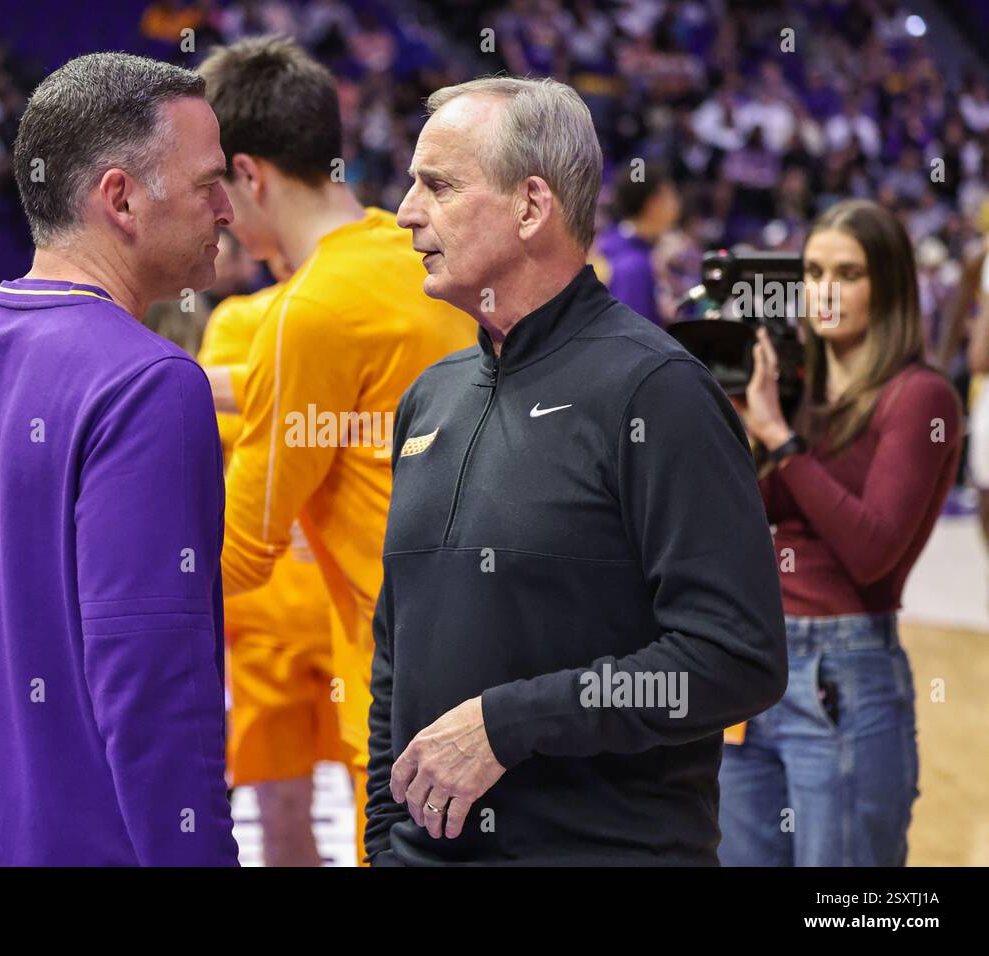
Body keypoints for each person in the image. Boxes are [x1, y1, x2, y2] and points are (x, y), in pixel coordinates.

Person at [365, 77, 787, 866]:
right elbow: (398, 653)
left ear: (530, 207)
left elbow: (736, 656)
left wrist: (508, 724)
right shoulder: (430, 398)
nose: (406, 213)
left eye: (439, 186)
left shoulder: (658, 392)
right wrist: (386, 845)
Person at [0, 52, 239, 866]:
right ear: (122, 198)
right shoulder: (153, 384)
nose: (229, 208)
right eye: (209, 182)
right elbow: (153, 692)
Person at [196, 36, 476, 863]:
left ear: (249, 174)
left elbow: (238, 556)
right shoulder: (419, 256)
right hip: (493, 665)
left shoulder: (307, 311)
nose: (214, 210)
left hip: (409, 695)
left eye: (216, 186)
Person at [721, 199, 963, 866]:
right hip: (754, 662)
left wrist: (781, 440)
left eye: (848, 273)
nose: (825, 291)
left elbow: (871, 548)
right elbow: (751, 516)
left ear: (887, 286)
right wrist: (746, 431)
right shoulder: (801, 396)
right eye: (814, 271)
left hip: (843, 668)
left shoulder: (920, 397)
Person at [197, 248, 343, 866]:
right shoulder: (237, 320)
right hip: (264, 621)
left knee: (388, 803)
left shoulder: (360, 315)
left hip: (354, 616)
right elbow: (215, 450)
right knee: (280, 806)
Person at [596, 160, 679, 326]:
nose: (677, 203)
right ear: (654, 203)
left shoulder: (612, 243)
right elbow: (631, 335)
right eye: (672, 195)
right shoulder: (634, 265)